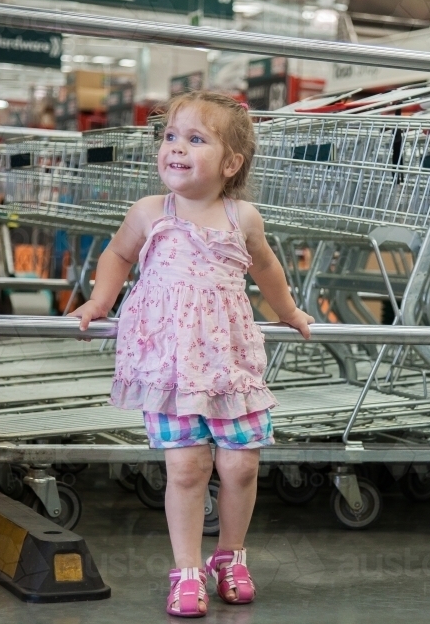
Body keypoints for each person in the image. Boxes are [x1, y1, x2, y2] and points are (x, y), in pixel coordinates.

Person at [70, 91, 313, 617]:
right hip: (171, 366)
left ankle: (230, 556)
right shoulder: (150, 212)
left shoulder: (241, 217)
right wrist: (99, 300)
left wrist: (290, 311)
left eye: (195, 139)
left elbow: (266, 268)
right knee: (185, 468)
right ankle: (186, 568)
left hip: (229, 364)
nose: (176, 148)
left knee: (241, 465)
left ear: (230, 163)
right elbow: (117, 253)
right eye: (170, 137)